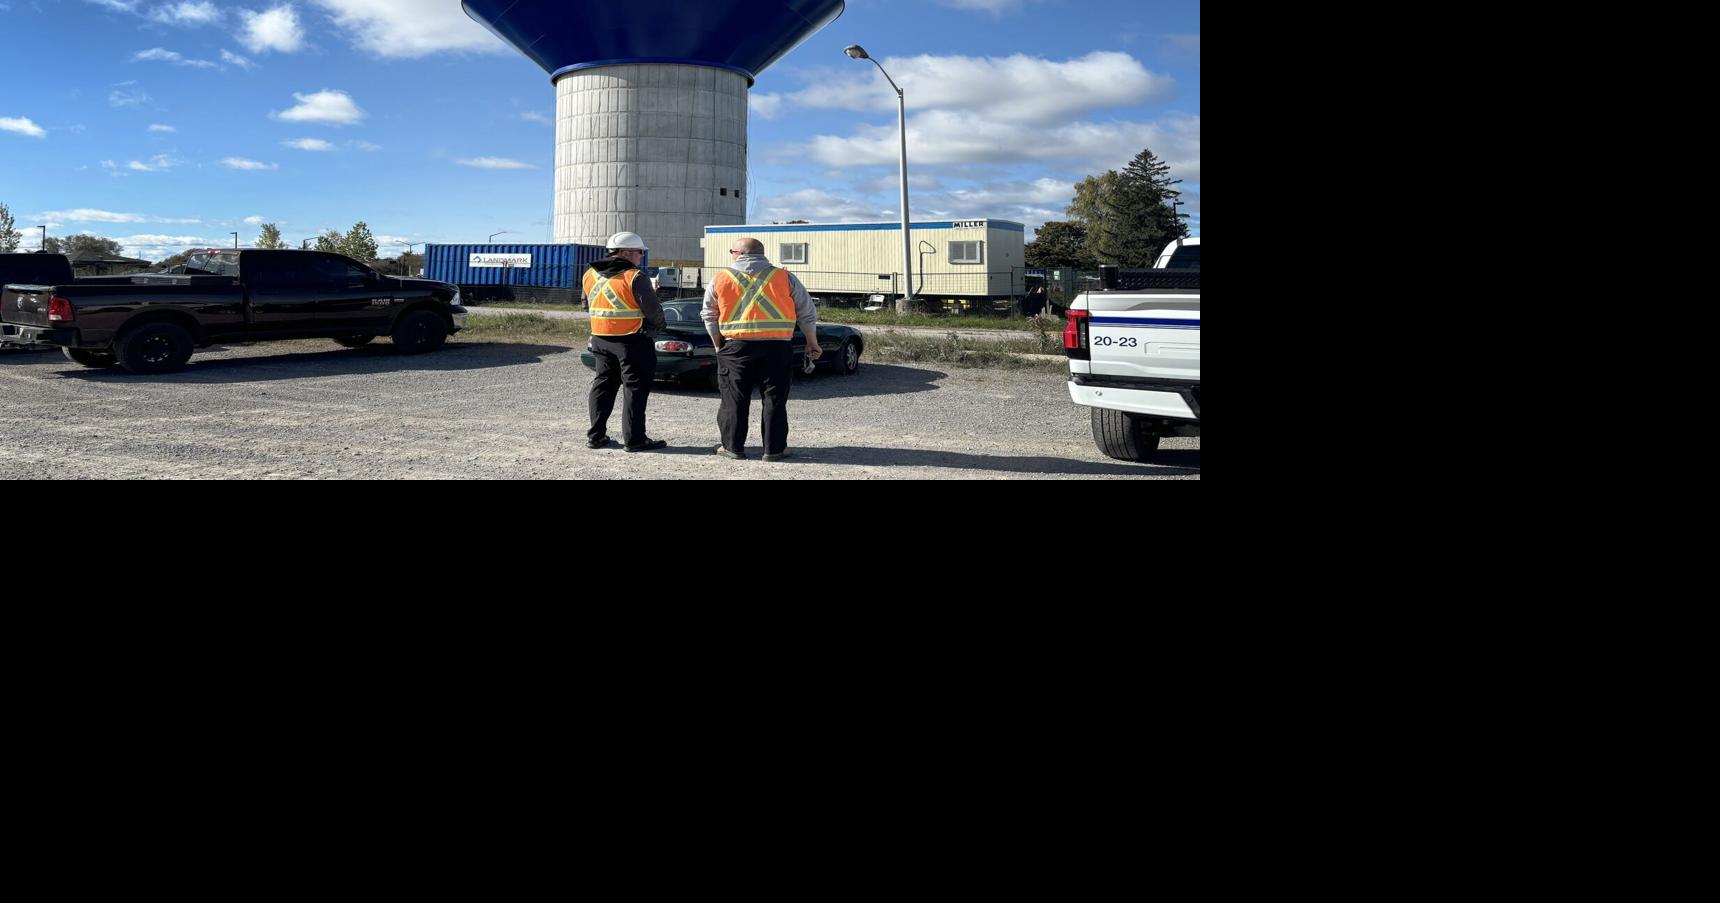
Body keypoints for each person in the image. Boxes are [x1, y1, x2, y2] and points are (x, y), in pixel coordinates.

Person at [701, 237, 820, 462]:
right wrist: (811, 341)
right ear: (761, 254)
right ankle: (774, 450)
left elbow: (709, 314)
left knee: (734, 398)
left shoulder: (721, 278)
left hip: (735, 346)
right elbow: (806, 312)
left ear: (739, 253)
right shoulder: (785, 277)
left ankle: (732, 447)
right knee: (775, 398)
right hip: (778, 347)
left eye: (731, 251)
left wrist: (718, 343)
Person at [584, 231, 667, 452]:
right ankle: (635, 440)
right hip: (632, 341)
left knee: (603, 385)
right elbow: (653, 311)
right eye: (639, 252)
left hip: (601, 339)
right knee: (635, 390)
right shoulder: (634, 276)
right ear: (626, 253)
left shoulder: (590, 274)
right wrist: (658, 326)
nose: (641, 256)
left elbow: (586, 304)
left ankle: (596, 436)